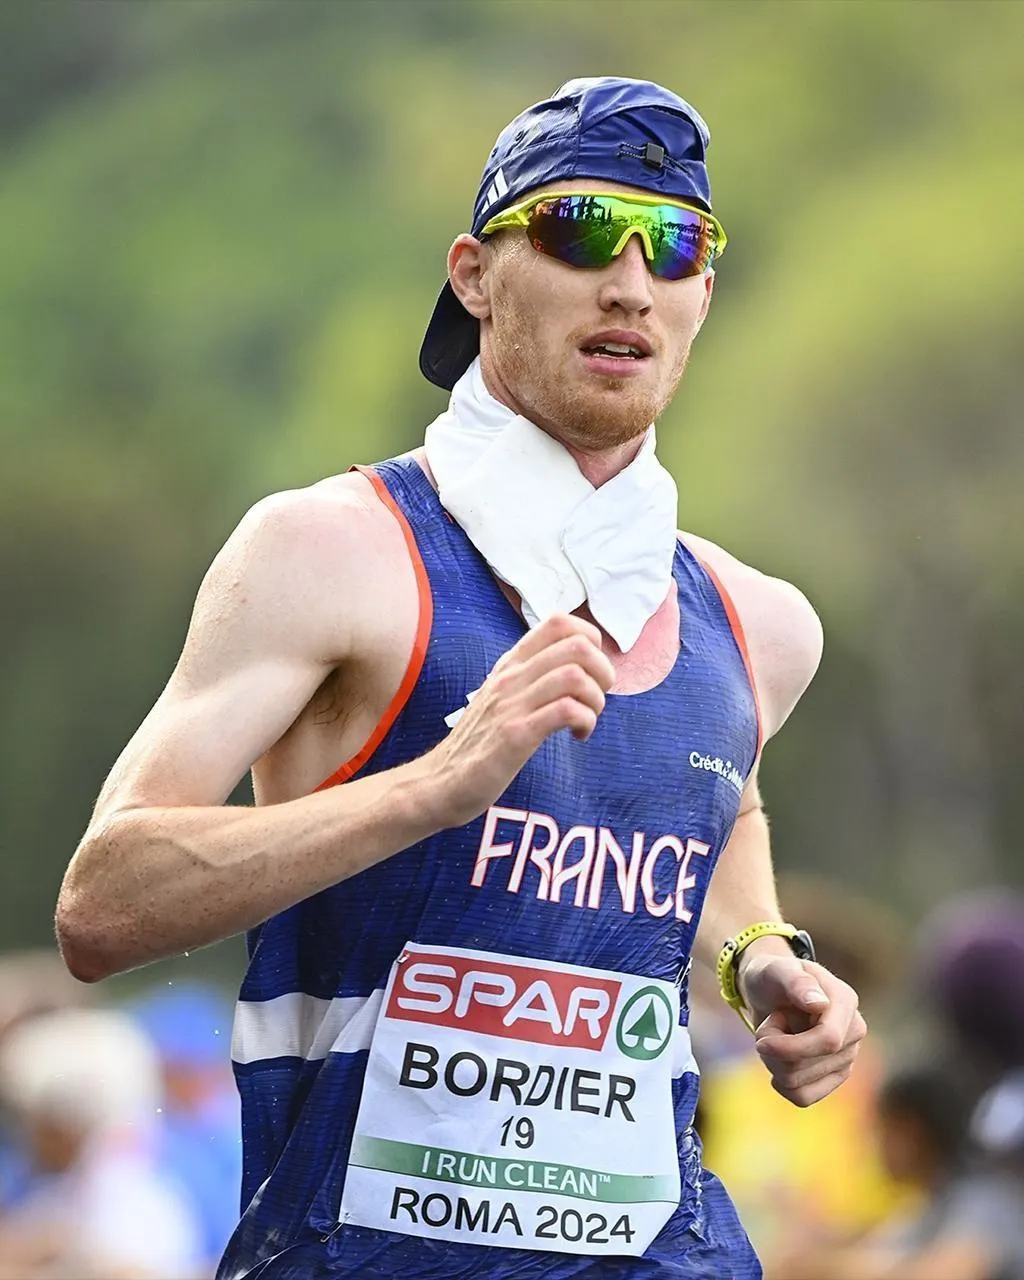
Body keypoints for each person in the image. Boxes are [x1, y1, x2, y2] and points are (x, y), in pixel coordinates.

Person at [55, 76, 866, 1279]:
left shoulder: (758, 623)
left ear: (703, 292)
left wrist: (757, 955)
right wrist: (433, 785)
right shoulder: (330, 550)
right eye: (581, 230)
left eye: (677, 245)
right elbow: (100, 908)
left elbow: (712, 795)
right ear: (474, 274)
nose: (631, 283)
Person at [0, 1007, 204, 1279]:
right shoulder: (53, 1188)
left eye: (37, 1120)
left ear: (67, 1125)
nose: (29, 1133)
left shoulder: (136, 1199)